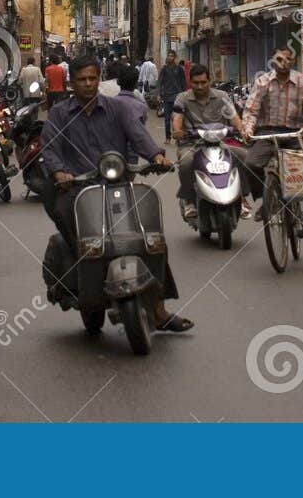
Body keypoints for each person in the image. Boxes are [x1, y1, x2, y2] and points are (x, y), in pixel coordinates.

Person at [40, 55, 194, 332]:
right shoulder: (59, 114)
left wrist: (157, 156)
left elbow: (138, 135)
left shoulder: (117, 108)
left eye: (92, 78)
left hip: (118, 186)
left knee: (151, 238)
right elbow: (49, 148)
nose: (88, 84)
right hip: (77, 189)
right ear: (71, 83)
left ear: (99, 79)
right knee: (70, 222)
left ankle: (158, 311)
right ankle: (82, 281)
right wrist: (59, 172)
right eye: (81, 80)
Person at [240, 45, 303, 240]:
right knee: (251, 163)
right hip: (268, 133)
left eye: (288, 59)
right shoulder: (262, 82)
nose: (283, 63)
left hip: (296, 134)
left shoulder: (302, 81)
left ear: (293, 62)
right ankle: (266, 198)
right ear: (273, 61)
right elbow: (251, 110)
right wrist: (247, 129)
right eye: (279, 59)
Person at [170, 62, 242, 222]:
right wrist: (178, 131)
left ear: (209, 81)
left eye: (203, 82)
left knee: (244, 156)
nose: (200, 86)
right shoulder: (182, 98)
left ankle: (241, 198)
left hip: (219, 143)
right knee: (186, 162)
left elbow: (235, 118)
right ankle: (188, 200)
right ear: (190, 82)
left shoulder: (222, 97)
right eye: (196, 83)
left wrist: (241, 130)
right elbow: (177, 119)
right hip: (192, 145)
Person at [157, 50, 187, 143]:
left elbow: (183, 82)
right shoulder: (164, 69)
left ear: (174, 57)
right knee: (166, 119)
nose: (170, 57)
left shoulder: (179, 69)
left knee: (177, 118)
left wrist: (184, 94)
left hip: (177, 97)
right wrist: (159, 94)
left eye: (171, 56)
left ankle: (177, 137)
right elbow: (160, 82)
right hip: (166, 97)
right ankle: (168, 138)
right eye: (168, 56)